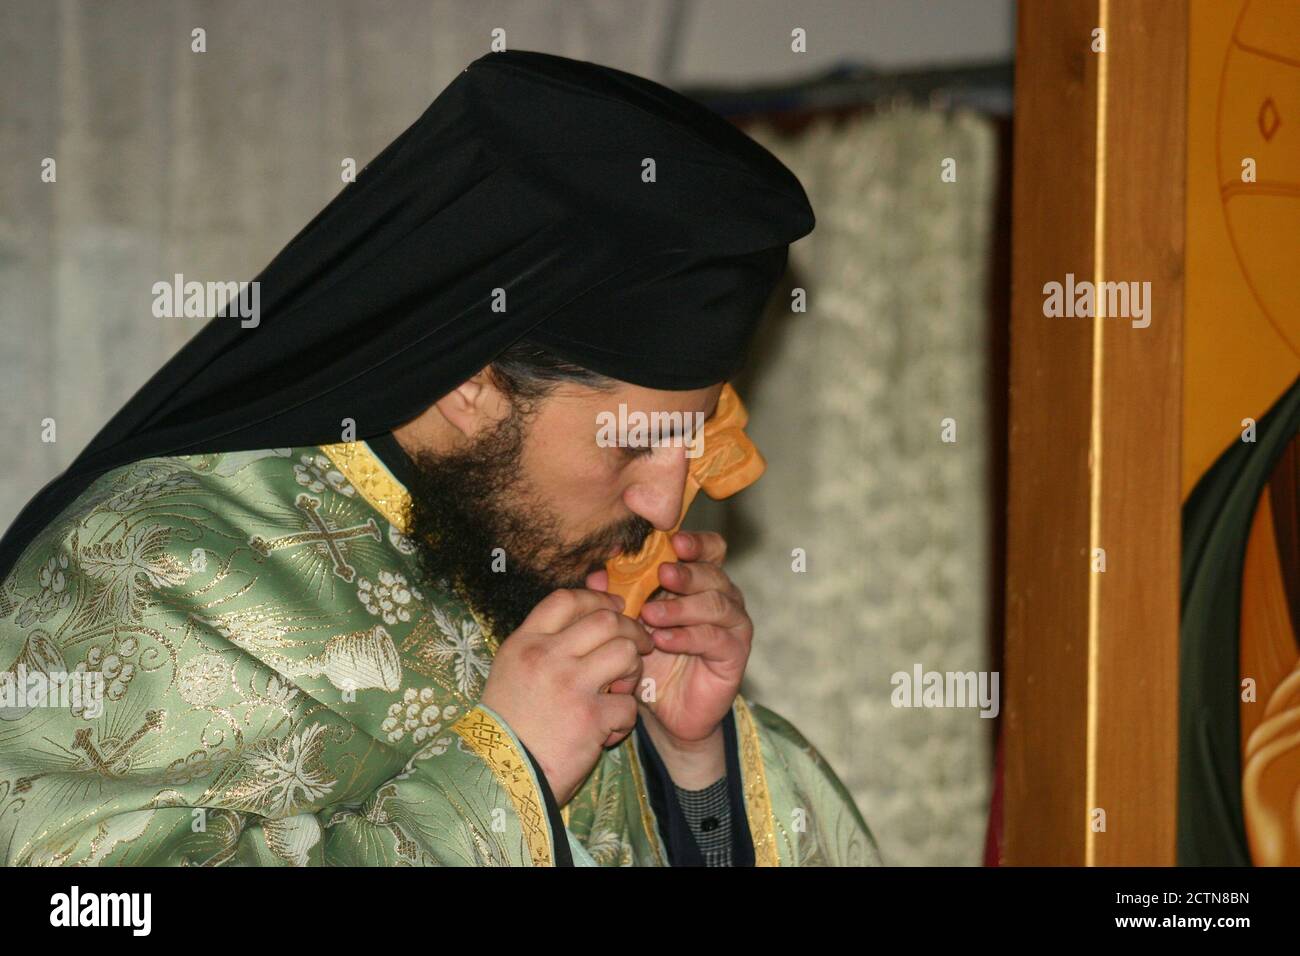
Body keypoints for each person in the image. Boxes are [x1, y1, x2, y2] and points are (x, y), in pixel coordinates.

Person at [0, 49, 882, 866]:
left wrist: (685, 764)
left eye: (695, 436)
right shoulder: (148, 567)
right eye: (637, 443)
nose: (665, 503)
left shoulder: (538, 558)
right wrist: (502, 779)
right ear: (471, 382)